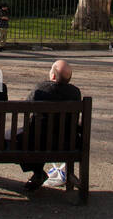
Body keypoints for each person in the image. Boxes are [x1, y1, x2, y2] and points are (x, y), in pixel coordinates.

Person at [19, 59, 83, 191]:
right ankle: (39, 173)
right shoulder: (75, 93)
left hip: (38, 142)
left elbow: (26, 106)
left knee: (20, 137)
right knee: (37, 134)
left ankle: (38, 172)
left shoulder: (41, 89)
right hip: (67, 143)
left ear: (52, 75)